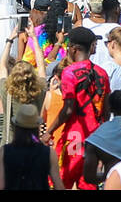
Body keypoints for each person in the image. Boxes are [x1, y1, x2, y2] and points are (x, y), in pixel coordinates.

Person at [45, 27, 111, 190]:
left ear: (73, 49)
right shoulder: (102, 73)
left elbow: (68, 109)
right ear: (92, 47)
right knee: (88, 183)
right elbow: (106, 111)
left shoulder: (69, 72)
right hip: (95, 137)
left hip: (74, 138)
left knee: (63, 182)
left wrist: (49, 131)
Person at [0, 104, 61, 190]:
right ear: (37, 127)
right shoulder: (48, 153)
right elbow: (58, 185)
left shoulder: (4, 151)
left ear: (16, 127)